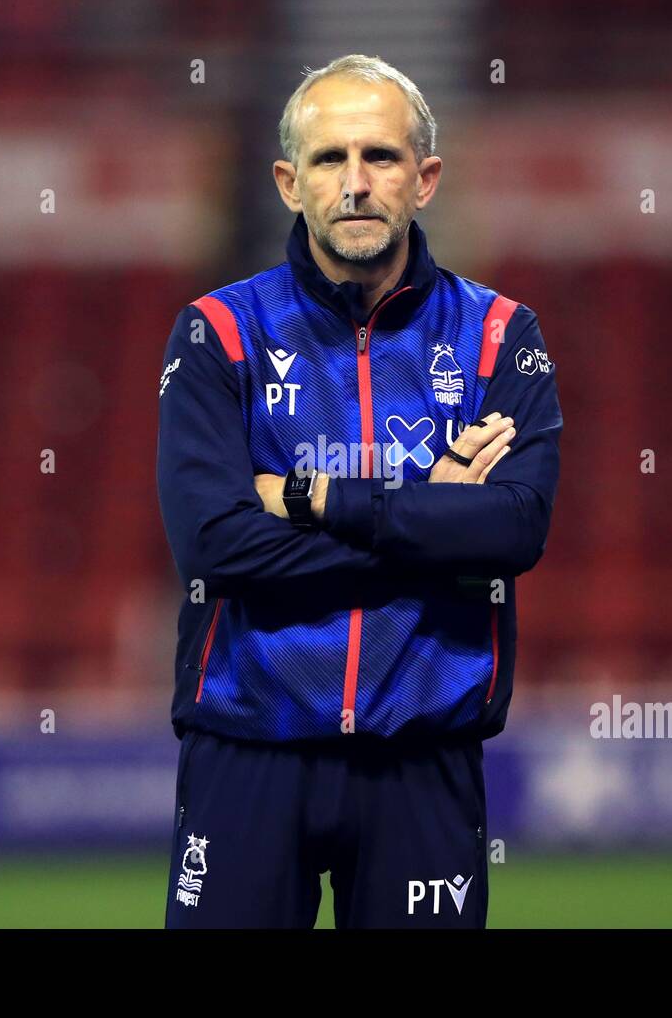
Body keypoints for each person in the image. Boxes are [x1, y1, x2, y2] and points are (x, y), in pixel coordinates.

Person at [156, 54, 561, 928]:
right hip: (248, 750)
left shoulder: (501, 335)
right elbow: (215, 544)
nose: (355, 183)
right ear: (287, 183)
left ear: (426, 179)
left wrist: (314, 498)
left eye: (380, 157)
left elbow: (516, 528)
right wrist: (433, 513)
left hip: (424, 758)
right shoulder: (218, 331)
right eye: (329, 160)